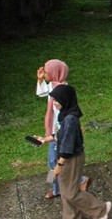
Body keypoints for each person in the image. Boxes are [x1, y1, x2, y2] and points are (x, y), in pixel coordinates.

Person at [36, 85, 112, 219]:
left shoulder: (70, 119)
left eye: (57, 100)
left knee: (71, 194)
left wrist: (59, 165)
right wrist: (45, 139)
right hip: (67, 158)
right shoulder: (66, 115)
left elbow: (67, 146)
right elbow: (61, 135)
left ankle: (101, 210)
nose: (54, 103)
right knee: (66, 192)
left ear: (65, 99)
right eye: (54, 100)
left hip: (71, 159)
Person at [36, 59, 90, 199]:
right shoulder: (54, 86)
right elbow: (41, 93)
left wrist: (54, 135)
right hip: (56, 132)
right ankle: (59, 188)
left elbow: (64, 121)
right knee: (53, 161)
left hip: (59, 131)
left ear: (55, 73)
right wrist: (40, 79)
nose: (54, 102)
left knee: (54, 162)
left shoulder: (62, 92)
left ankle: (72, 184)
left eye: (47, 72)